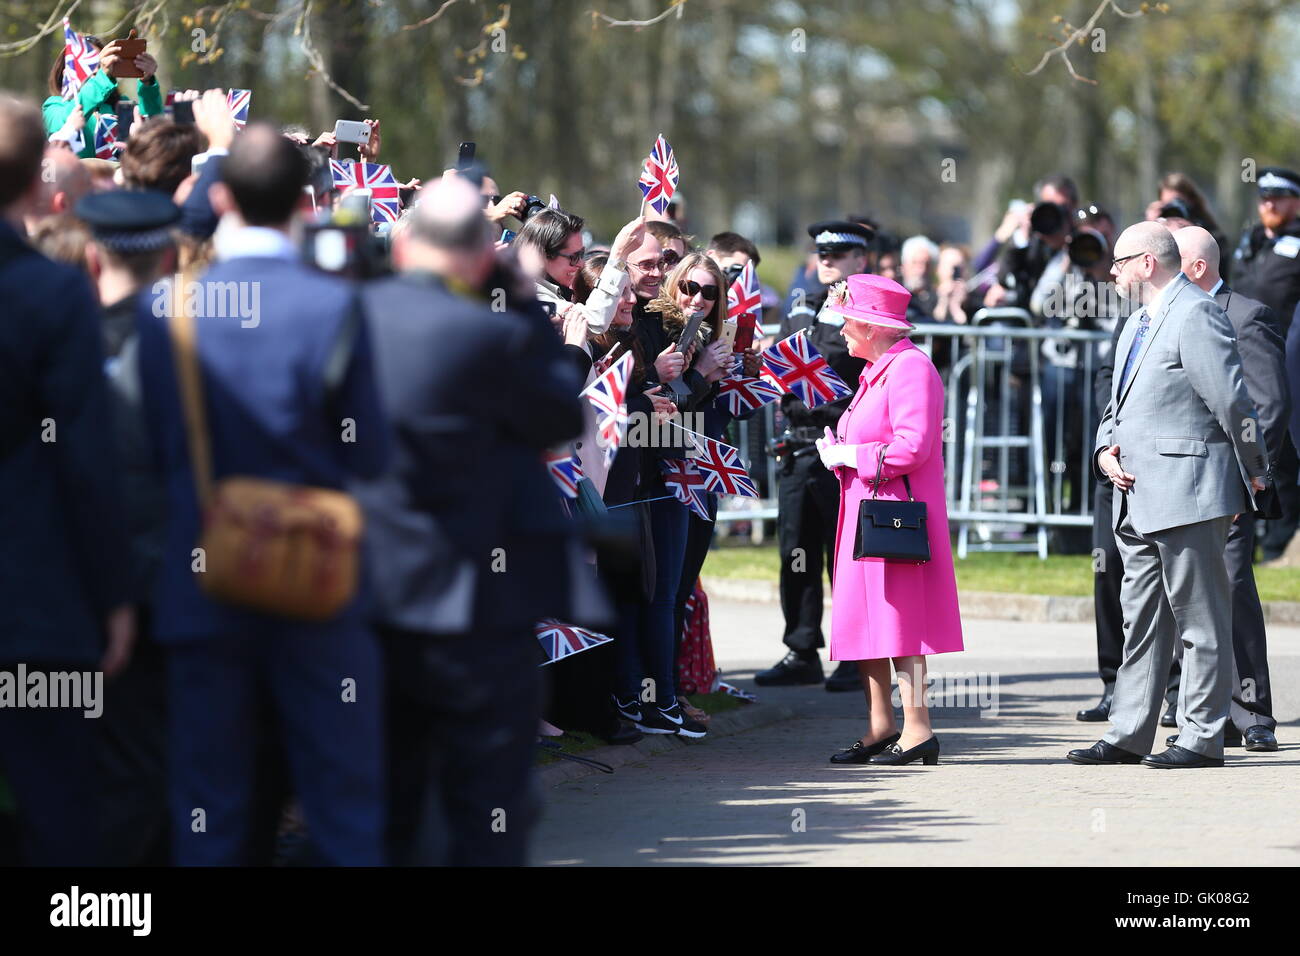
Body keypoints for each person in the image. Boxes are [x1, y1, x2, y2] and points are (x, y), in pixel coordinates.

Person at [135, 124, 392, 862]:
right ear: (306, 205)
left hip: (203, 580)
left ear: (219, 196)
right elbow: (370, 451)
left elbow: (148, 450)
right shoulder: (336, 305)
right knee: (342, 807)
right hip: (319, 582)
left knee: (213, 814)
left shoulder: (167, 309)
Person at [355, 176, 588, 865]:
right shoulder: (498, 330)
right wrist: (521, 306)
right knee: (489, 797)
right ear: (480, 257)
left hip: (382, 593)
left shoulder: (357, 315)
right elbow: (557, 414)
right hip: (484, 603)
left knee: (393, 786)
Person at [1069, 222, 1268, 769]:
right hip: (1134, 492)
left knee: (1200, 619)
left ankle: (1202, 737)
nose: (1111, 272)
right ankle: (1130, 731)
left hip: (1190, 490)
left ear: (1148, 263)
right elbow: (1119, 403)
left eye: (1119, 261)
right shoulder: (1136, 320)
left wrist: (1256, 475)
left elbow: (1233, 402)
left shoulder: (1197, 311)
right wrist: (1103, 450)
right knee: (1142, 620)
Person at [0, 94, 131, 865]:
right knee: (59, 812)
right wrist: (114, 598)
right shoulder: (52, 293)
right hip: (38, 612)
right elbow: (87, 456)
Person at [817, 273, 964, 766]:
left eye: (847, 322)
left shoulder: (909, 368)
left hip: (893, 515)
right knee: (865, 621)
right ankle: (881, 725)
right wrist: (840, 453)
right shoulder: (880, 369)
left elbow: (912, 446)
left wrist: (850, 455)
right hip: (866, 511)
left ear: (872, 326)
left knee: (900, 626)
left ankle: (919, 728)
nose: (841, 332)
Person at [76, 189, 182, 864]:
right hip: (188, 601)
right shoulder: (203, 353)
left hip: (83, 603)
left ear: (90, 260)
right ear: (172, 257)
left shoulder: (61, 350)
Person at [1159, 226, 1285, 753]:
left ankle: (1252, 711)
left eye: (1170, 261)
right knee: (1176, 596)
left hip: (1225, 486)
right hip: (1170, 483)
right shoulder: (1159, 316)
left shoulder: (1245, 315)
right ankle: (1193, 706)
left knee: (1232, 588)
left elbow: (1268, 406)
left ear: (1196, 268)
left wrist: (1247, 480)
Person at [616, 252, 731, 738]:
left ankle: (663, 696)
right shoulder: (649, 327)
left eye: (709, 293)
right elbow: (650, 418)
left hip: (689, 474)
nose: (697, 300)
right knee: (644, 597)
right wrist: (698, 376)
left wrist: (732, 376)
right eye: (690, 288)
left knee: (672, 593)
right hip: (645, 478)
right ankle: (649, 700)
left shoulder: (705, 336)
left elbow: (704, 420)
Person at [757, 218, 872, 692]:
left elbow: (847, 369)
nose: (827, 260)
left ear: (860, 259)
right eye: (822, 253)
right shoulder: (803, 302)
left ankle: (853, 655)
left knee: (843, 555)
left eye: (839, 254)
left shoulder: (864, 306)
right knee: (796, 549)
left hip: (842, 441)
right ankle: (802, 648)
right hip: (799, 442)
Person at [1235, 167, 1300, 561]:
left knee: (1282, 447)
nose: (1269, 205)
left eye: (1278, 197)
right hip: (1242, 359)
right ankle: (1252, 537)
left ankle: (1281, 540)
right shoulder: (1251, 242)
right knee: (1247, 442)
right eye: (1263, 198)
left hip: (1287, 361)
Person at [43, 32, 163, 159]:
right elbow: (66, 122)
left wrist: (147, 83)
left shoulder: (120, 105)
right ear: (67, 73)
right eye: (87, 64)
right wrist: (102, 77)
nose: (95, 70)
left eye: (99, 65)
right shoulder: (53, 106)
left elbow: (153, 127)